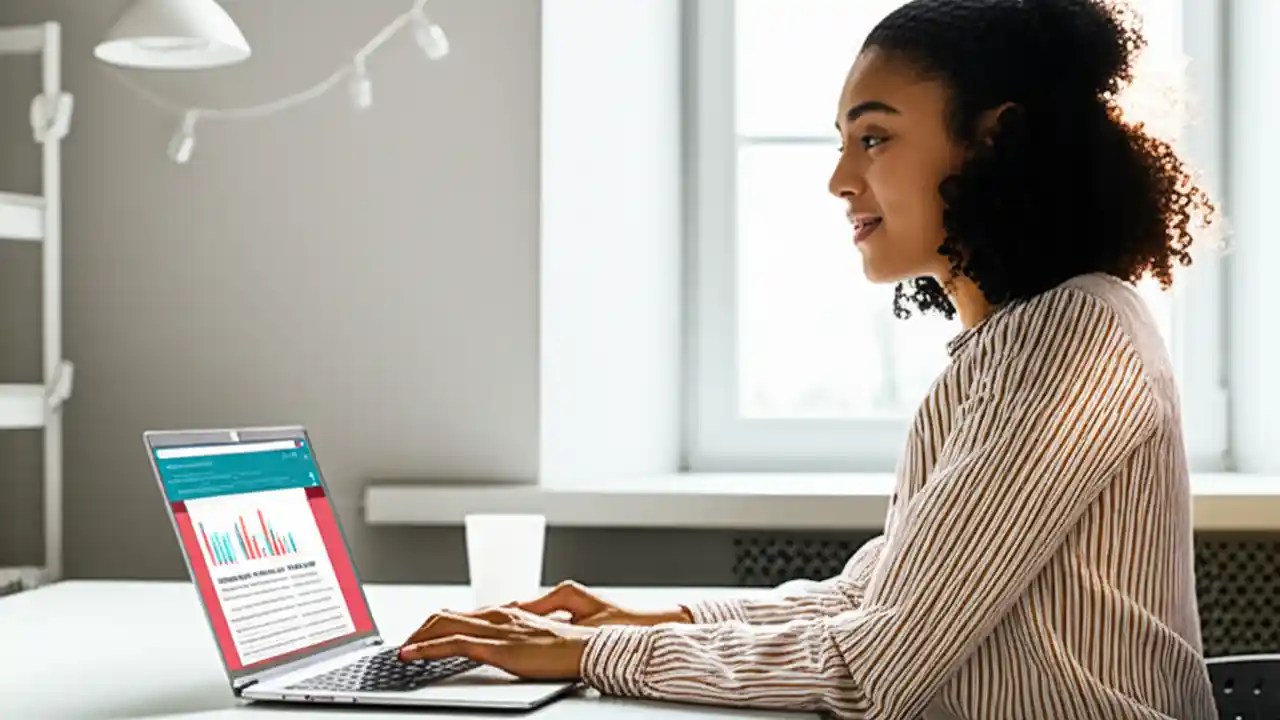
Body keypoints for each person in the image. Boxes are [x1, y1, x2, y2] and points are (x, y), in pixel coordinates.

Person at [398, 0, 1220, 717]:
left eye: (874, 137)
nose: (838, 178)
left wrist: (584, 655)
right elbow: (874, 597)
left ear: (993, 141)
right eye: (843, 141)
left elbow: (876, 669)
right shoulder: (1016, 340)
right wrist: (645, 623)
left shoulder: (1071, 340)